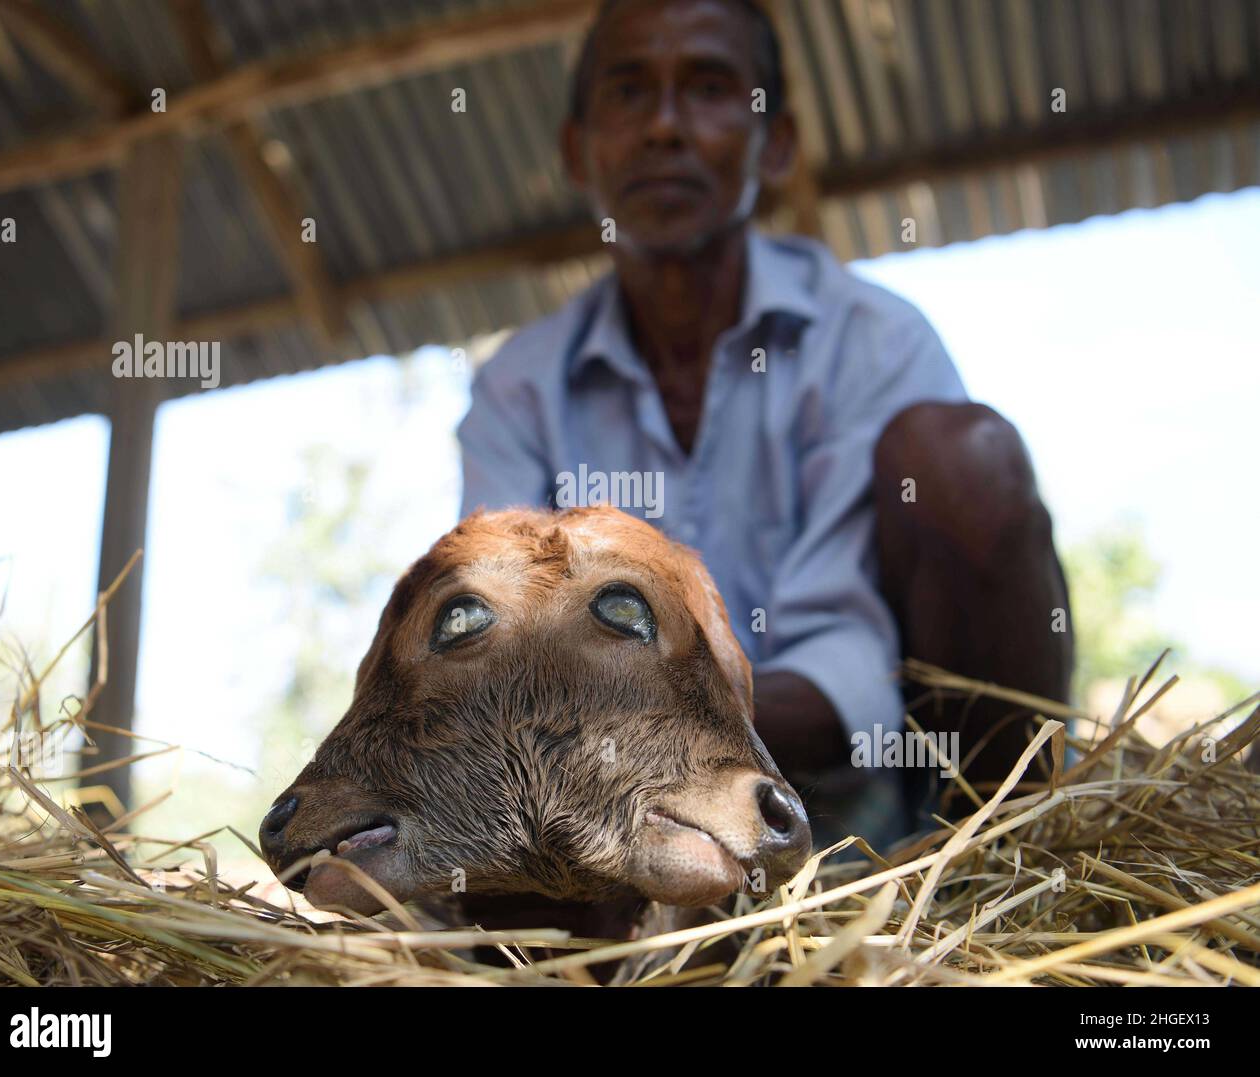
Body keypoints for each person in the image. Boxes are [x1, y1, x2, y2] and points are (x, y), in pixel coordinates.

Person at [457, 0, 1073, 847]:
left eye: (710, 88)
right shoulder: (516, 390)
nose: (665, 126)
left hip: (874, 807)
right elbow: (500, 662)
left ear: (775, 144)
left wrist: (631, 716)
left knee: (966, 462)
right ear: (578, 150)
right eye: (629, 92)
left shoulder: (870, 339)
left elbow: (848, 657)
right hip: (613, 823)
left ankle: (1005, 860)